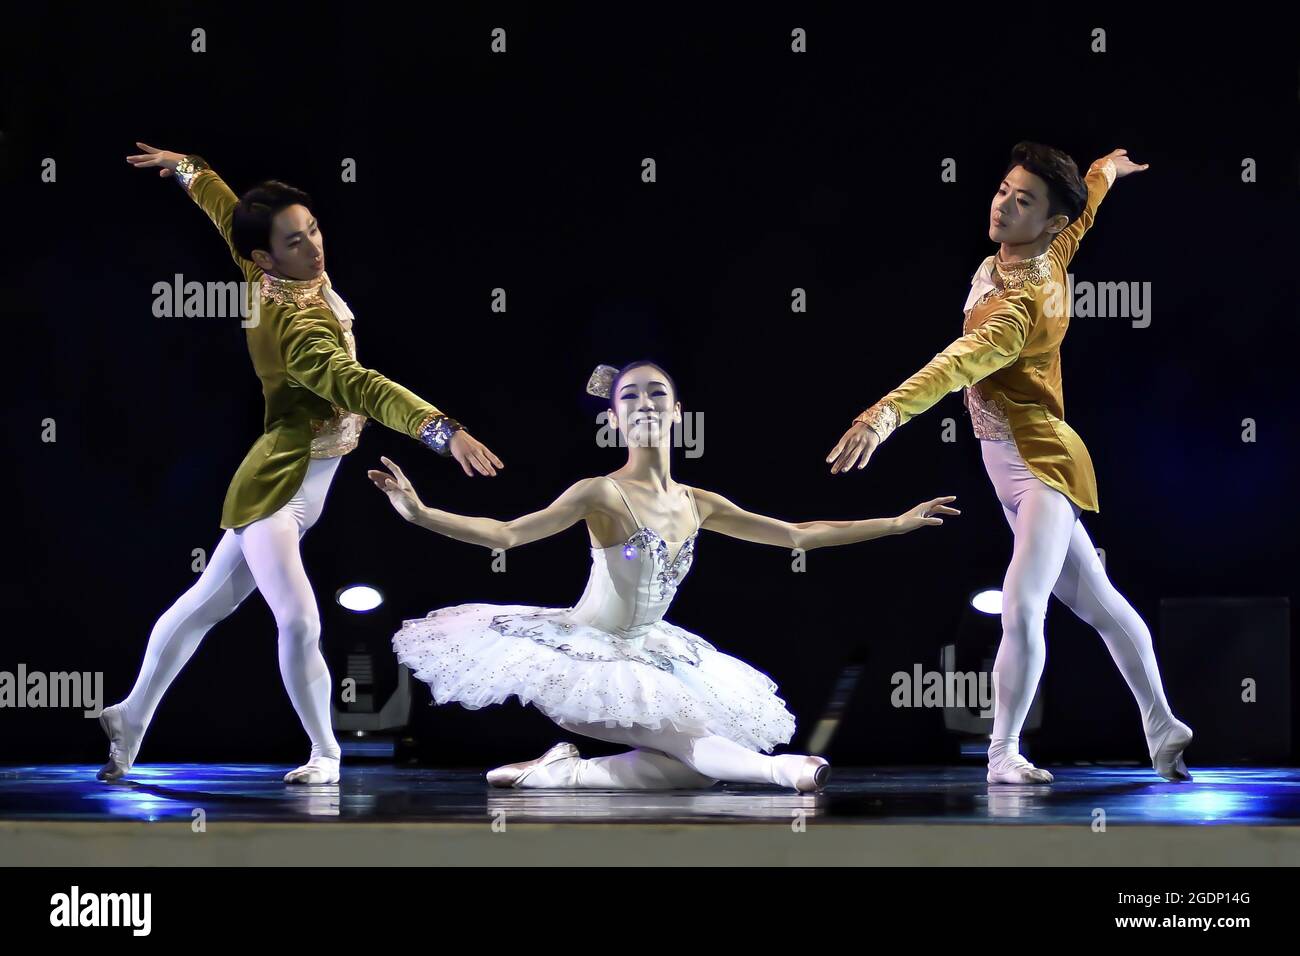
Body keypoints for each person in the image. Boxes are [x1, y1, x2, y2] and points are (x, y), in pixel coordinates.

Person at [98, 144, 504, 785]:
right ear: (265, 258)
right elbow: (360, 386)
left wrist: (188, 169)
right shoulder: (296, 326)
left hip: (306, 485)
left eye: (312, 229)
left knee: (204, 605)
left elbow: (223, 210)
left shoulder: (265, 266)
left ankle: (130, 717)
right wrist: (441, 431)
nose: (314, 247)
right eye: (295, 242)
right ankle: (326, 754)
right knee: (298, 616)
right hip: (279, 489)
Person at [373, 360, 958, 791]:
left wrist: (895, 523)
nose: (646, 402)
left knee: (691, 773)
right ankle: (785, 772)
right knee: (692, 746)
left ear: (678, 411)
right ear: (615, 416)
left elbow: (797, 534)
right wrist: (421, 513)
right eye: (630, 395)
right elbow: (507, 534)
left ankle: (564, 774)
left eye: (658, 393)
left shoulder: (698, 501)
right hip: (584, 660)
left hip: (653, 654)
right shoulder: (599, 492)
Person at [826, 143, 1193, 784]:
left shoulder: (1019, 307)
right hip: (1011, 468)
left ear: (1045, 221)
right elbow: (1085, 211)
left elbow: (954, 365)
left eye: (1022, 201)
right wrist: (1105, 169)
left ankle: (1002, 752)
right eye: (1003, 189)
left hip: (1041, 467)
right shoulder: (1049, 243)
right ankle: (1163, 726)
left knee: (1023, 606)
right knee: (1101, 605)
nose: (1002, 204)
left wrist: (884, 415)